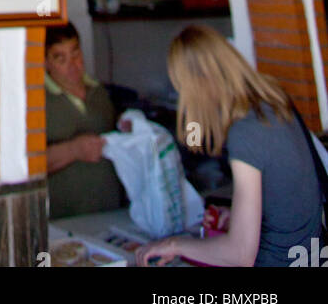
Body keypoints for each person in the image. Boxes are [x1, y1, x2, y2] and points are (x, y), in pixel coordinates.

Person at [137, 25, 324, 267]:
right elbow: (286, 200)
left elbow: (240, 254)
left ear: (199, 83)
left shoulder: (245, 132)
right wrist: (236, 217)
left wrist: (174, 244)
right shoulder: (272, 100)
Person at [45, 21, 126, 218]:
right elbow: (25, 168)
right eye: (60, 59)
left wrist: (125, 127)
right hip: (68, 221)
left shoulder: (98, 91)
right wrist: (74, 150)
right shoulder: (36, 101)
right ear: (46, 62)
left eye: (75, 54)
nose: (73, 65)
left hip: (112, 213)